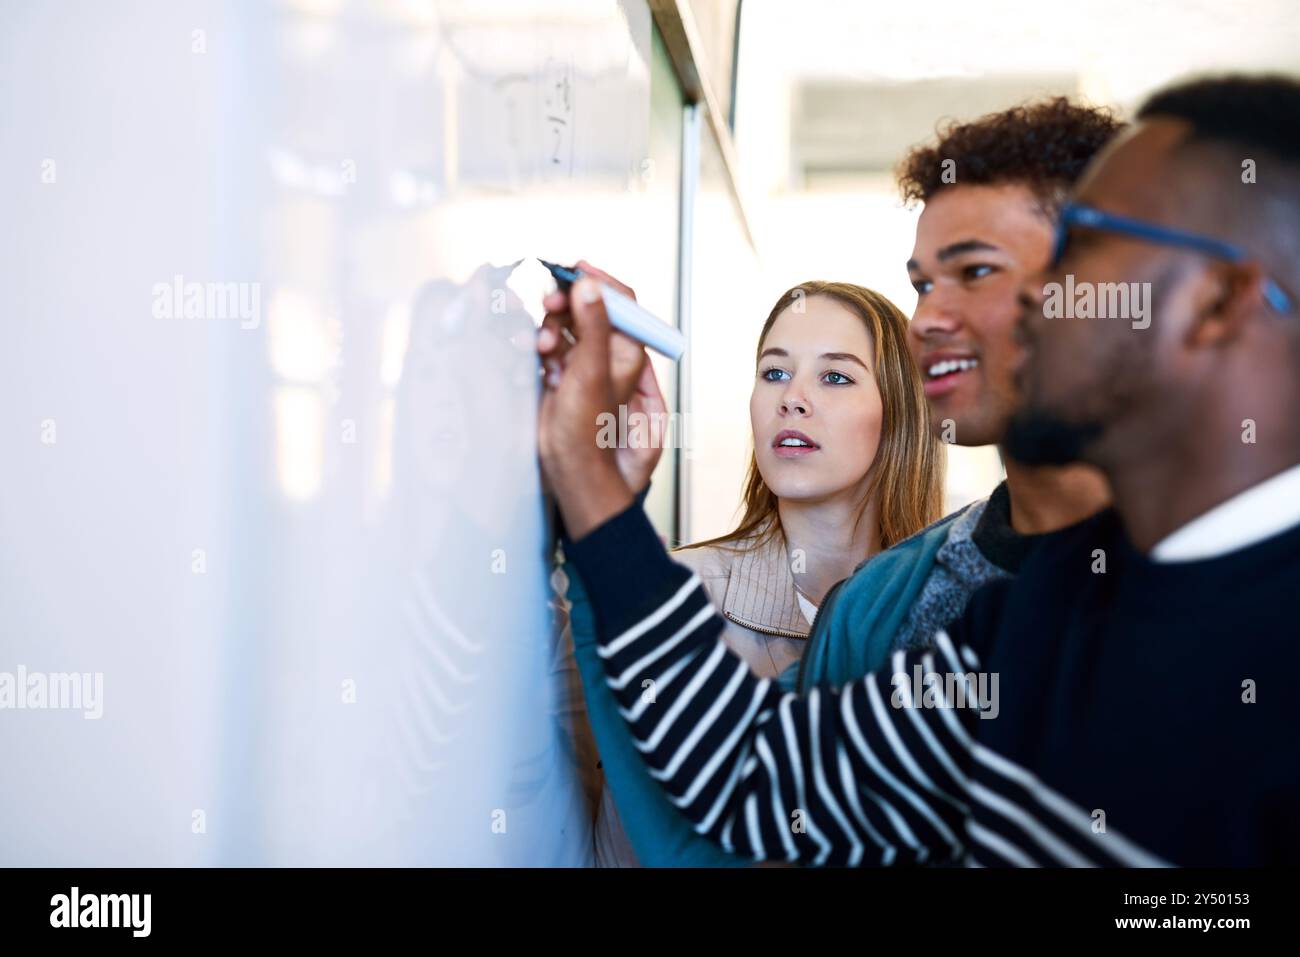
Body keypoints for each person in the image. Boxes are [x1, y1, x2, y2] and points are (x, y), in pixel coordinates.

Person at [542, 74, 1300, 866]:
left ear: (1218, 302)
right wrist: (596, 488)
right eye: (925, 285)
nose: (934, 320)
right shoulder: (1036, 617)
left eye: (1087, 251)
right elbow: (754, 779)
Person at [557, 280, 943, 864]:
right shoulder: (663, 596)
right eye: (774, 373)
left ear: (901, 414)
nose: (792, 399)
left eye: (835, 377)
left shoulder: (952, 617)